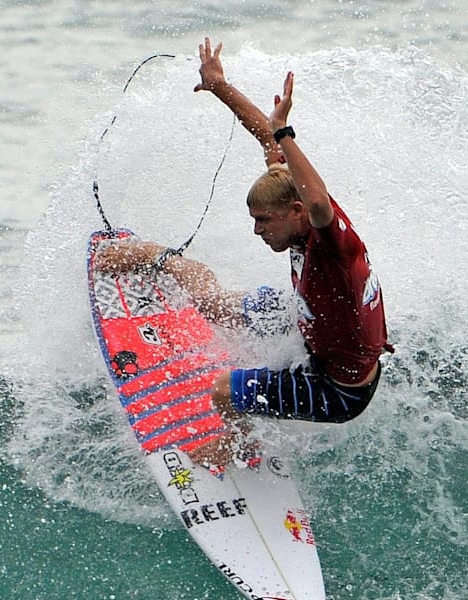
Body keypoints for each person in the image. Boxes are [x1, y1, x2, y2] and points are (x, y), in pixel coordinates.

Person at [97, 37, 390, 465]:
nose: (256, 231)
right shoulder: (291, 202)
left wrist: (286, 132)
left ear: (294, 211)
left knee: (222, 390)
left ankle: (234, 447)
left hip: (340, 389)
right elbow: (266, 140)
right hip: (303, 318)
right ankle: (165, 258)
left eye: (264, 221)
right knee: (216, 306)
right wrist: (219, 86)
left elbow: (320, 202)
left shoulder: (334, 246)